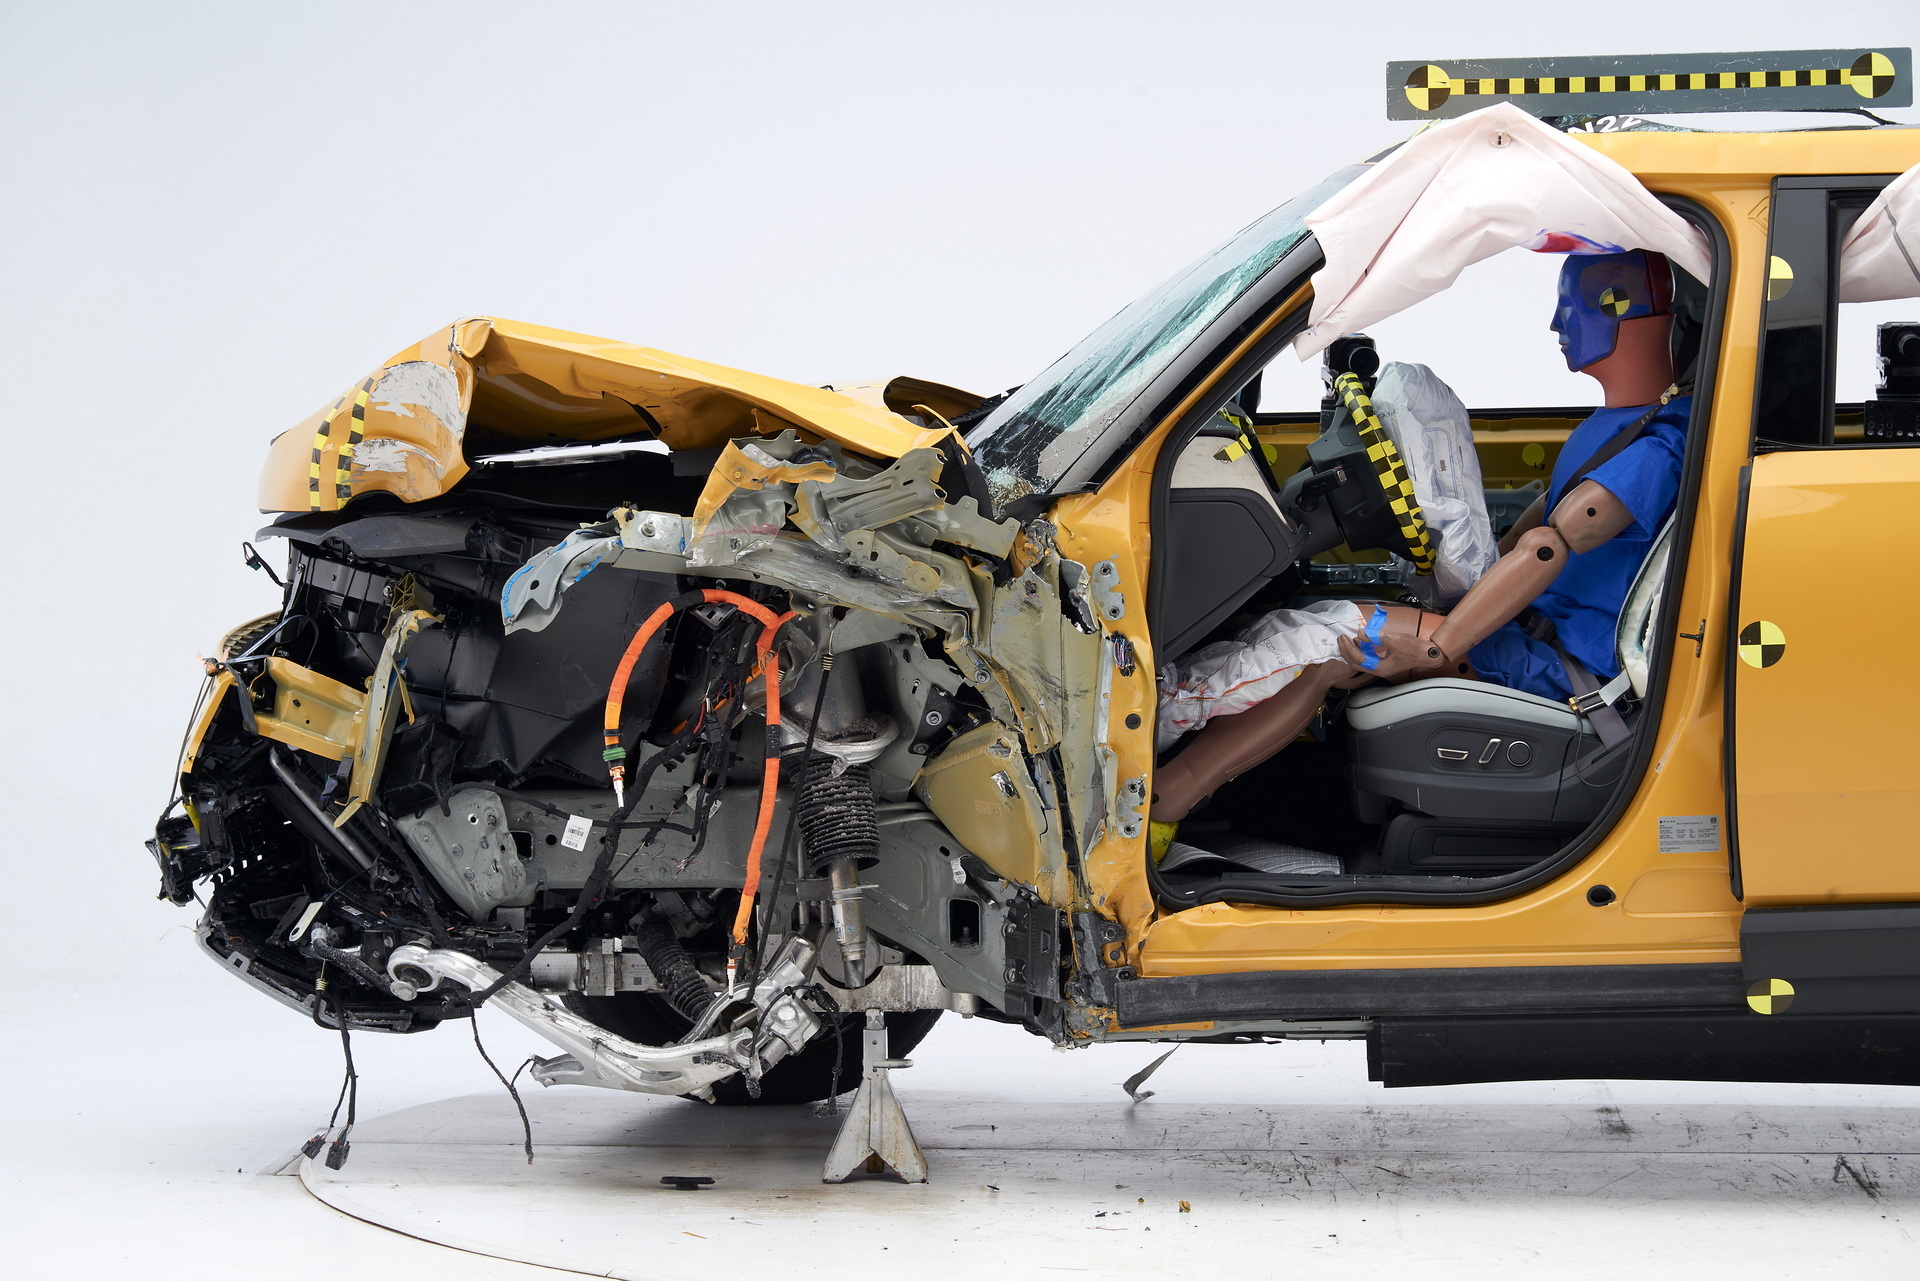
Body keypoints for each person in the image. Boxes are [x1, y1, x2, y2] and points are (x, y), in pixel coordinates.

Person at [1150, 249, 1690, 824]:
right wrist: (1464, 589)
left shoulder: (1659, 445)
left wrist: (1441, 645)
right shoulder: (1617, 424)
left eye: (1571, 306)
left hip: (1564, 666)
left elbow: (1547, 544)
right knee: (1320, 630)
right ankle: (1174, 759)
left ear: (1624, 313)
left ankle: (1163, 767)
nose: (1557, 324)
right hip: (1534, 630)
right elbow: (1531, 527)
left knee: (1327, 644)